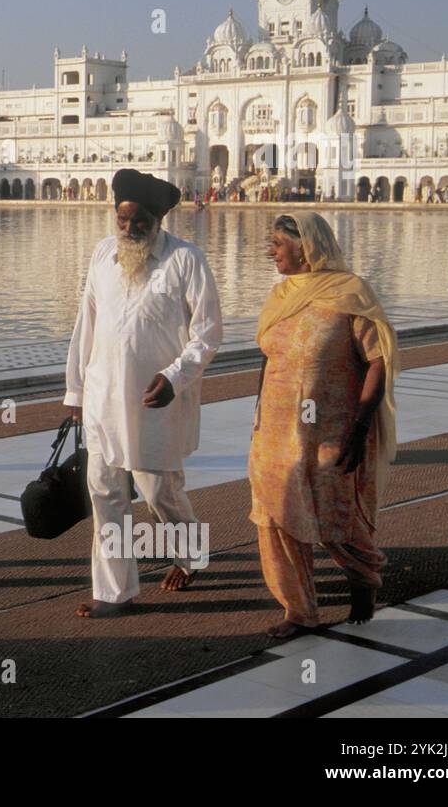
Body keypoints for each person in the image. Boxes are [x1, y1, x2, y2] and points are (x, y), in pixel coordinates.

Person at [65, 168, 223, 618]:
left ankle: (191, 554)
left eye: (141, 223)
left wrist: (175, 377)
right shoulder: (101, 256)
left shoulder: (185, 260)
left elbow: (208, 334)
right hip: (103, 401)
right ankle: (115, 593)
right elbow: (86, 327)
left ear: (158, 221)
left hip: (157, 402)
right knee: (105, 493)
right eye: (123, 220)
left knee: (160, 493)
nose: (130, 230)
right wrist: (75, 392)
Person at [250, 212, 396, 638]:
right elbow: (268, 355)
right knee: (275, 515)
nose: (270, 250)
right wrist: (259, 415)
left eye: (278, 242)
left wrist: (361, 425)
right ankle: (299, 610)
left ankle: (363, 579)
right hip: (275, 430)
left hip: (332, 427)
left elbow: (377, 360)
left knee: (336, 514)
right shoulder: (280, 295)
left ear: (307, 246)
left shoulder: (350, 293)